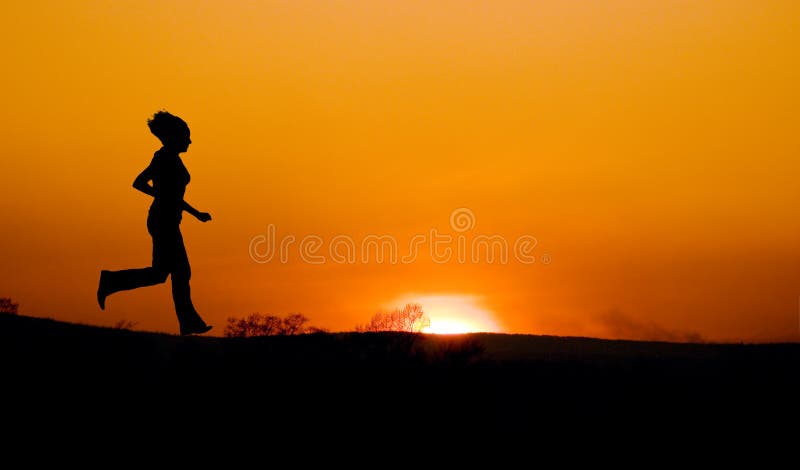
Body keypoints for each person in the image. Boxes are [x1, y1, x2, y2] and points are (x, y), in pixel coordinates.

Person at [97, 111, 213, 335]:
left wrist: (195, 213)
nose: (189, 141)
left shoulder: (171, 158)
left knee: (160, 274)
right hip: (162, 221)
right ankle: (189, 323)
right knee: (181, 272)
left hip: (167, 220)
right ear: (174, 137)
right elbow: (139, 182)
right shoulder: (163, 158)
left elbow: (173, 197)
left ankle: (111, 281)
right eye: (186, 136)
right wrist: (161, 196)